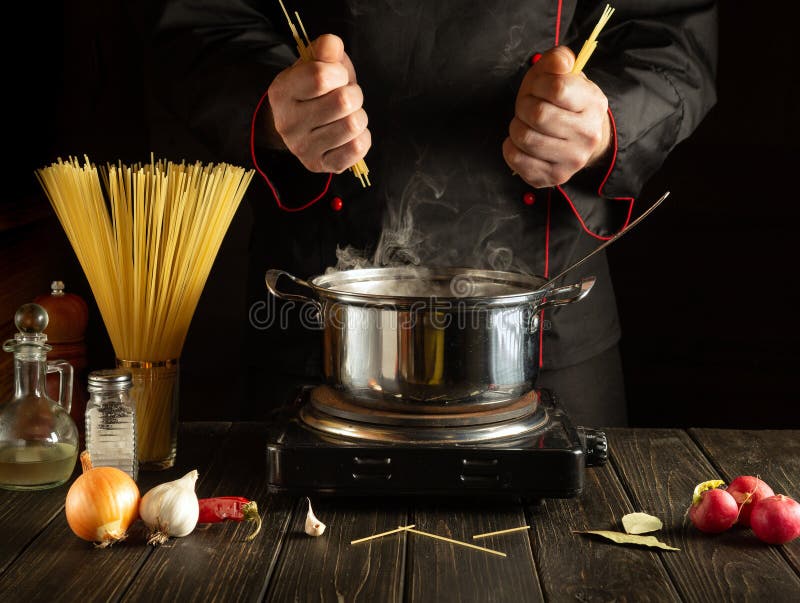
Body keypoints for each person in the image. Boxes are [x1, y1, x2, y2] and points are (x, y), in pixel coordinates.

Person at [147, 1, 717, 427]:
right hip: (319, 330)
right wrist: (276, 108)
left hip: (550, 333)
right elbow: (200, 22)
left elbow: (673, 34)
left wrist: (604, 124)